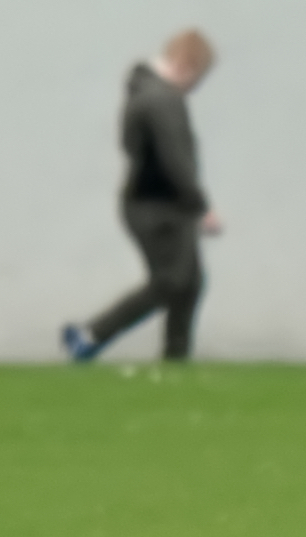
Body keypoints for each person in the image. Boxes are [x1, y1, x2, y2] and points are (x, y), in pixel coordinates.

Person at [62, 29, 221, 363]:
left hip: (153, 202)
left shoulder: (142, 91)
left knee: (189, 283)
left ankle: (176, 357)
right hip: (158, 205)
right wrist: (201, 206)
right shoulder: (163, 100)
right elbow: (175, 158)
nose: (194, 88)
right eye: (197, 79)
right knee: (172, 281)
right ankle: (90, 334)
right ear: (186, 65)